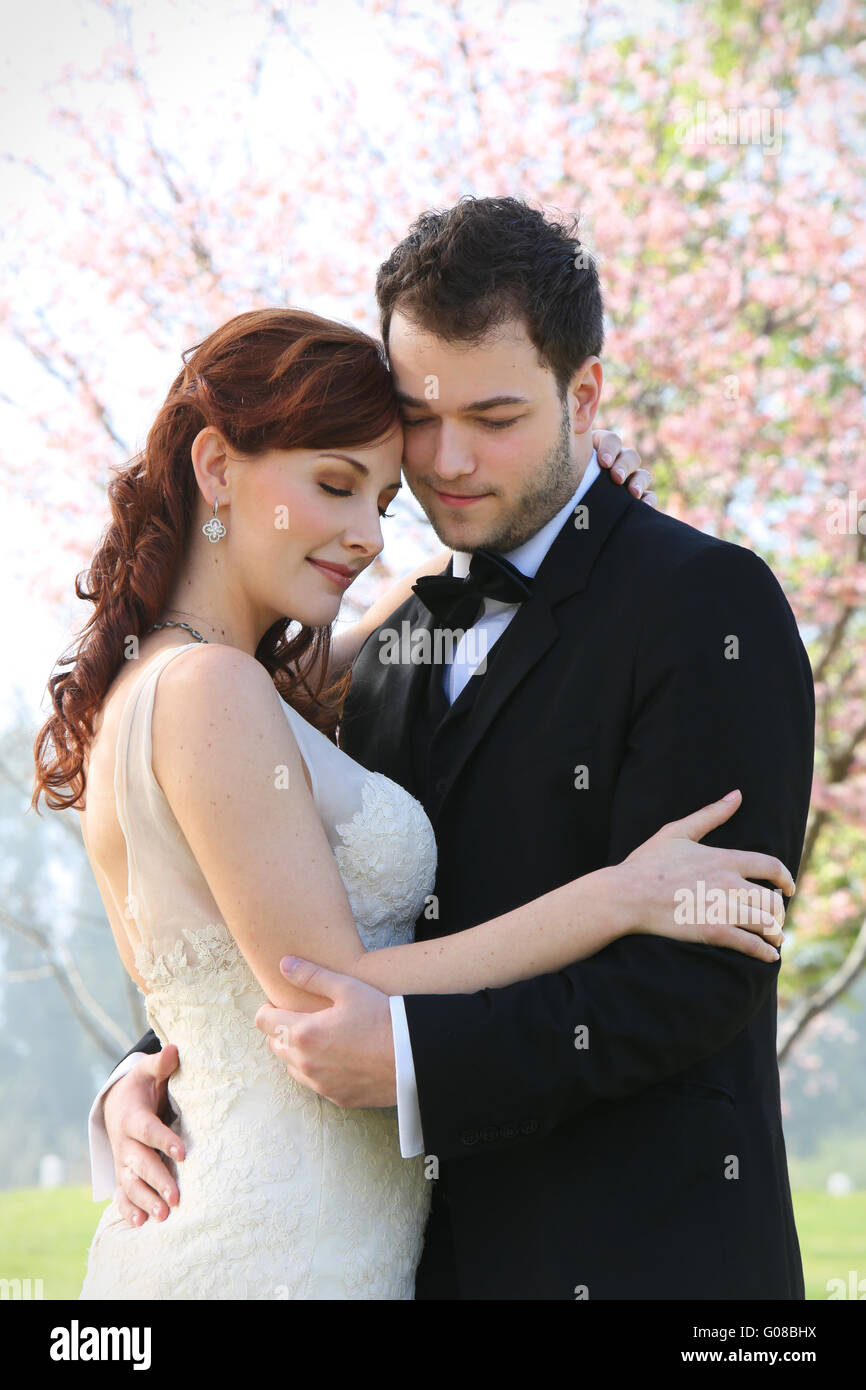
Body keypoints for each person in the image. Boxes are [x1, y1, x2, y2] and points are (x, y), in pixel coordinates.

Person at [78, 199, 809, 1302]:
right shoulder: (387, 644)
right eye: (420, 418)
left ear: (585, 395)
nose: (449, 462)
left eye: (497, 415)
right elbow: (292, 916)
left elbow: (698, 967)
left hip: (635, 1262)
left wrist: (413, 1061)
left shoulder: (704, 601)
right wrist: (155, 1064)